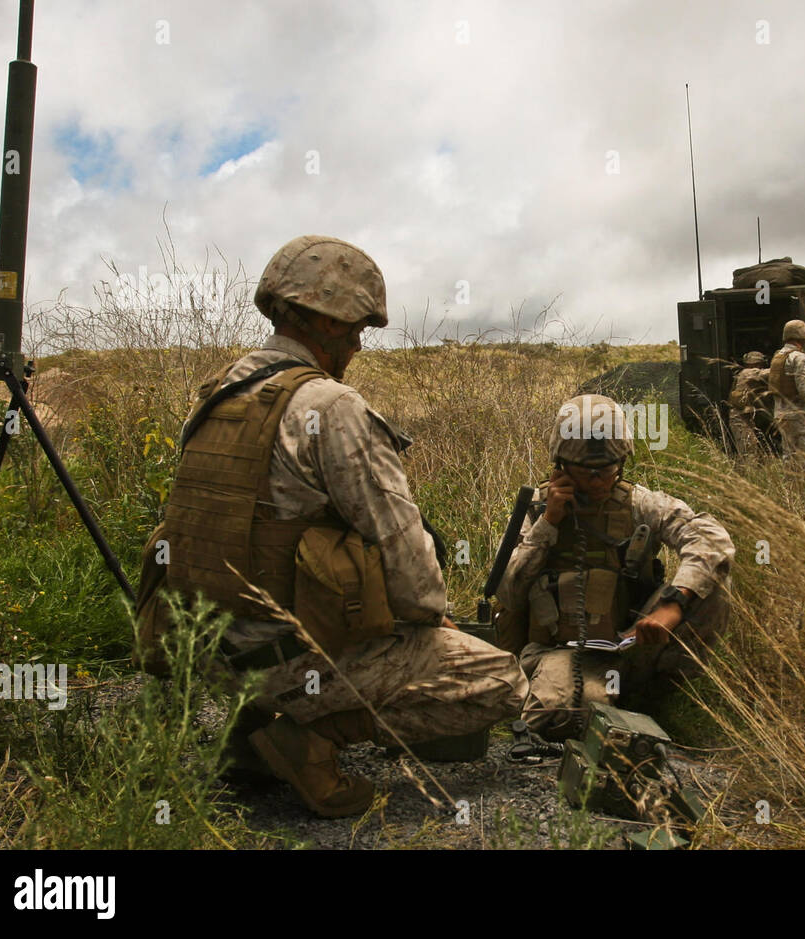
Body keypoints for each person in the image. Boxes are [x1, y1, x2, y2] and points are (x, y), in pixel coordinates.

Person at [135, 235, 527, 817]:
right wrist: (425, 617)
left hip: (200, 647)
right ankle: (309, 738)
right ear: (331, 324)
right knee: (501, 681)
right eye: (356, 330)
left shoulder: (215, 395)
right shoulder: (330, 406)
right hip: (282, 659)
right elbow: (404, 550)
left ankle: (253, 729)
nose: (358, 345)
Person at [494, 395, 734, 740]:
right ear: (560, 466)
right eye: (586, 471)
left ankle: (662, 694)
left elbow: (713, 542)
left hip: (631, 645)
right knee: (564, 717)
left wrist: (671, 606)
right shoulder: (533, 513)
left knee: (714, 579)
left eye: (608, 468)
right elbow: (508, 593)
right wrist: (549, 524)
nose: (598, 480)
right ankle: (608, 704)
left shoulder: (641, 504)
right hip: (559, 652)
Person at [768, 320, 805, 457]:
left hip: (781, 415)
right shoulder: (798, 358)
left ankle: (791, 479)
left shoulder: (778, 356)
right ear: (803, 336)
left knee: (790, 457)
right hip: (799, 416)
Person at [727, 351, 773, 458]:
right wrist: (781, 365)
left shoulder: (743, 373)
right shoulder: (749, 372)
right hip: (739, 419)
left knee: (751, 448)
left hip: (742, 418)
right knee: (748, 451)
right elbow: (768, 373)